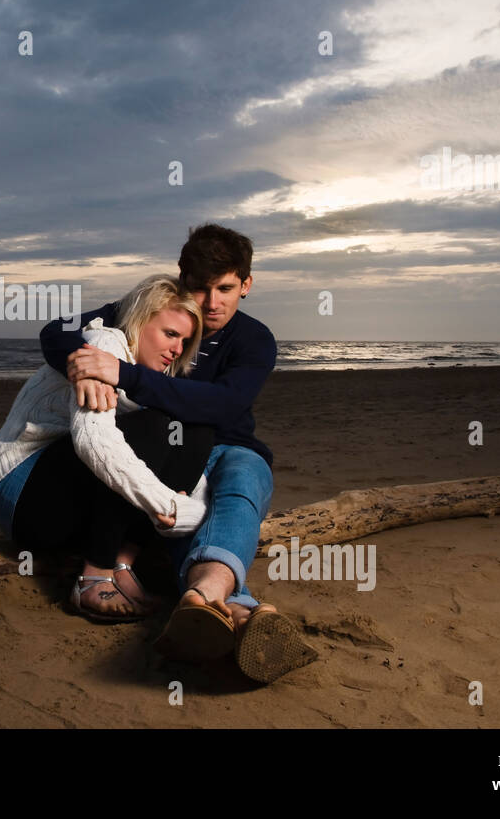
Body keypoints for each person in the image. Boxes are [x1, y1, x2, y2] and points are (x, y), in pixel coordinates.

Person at [39, 224, 317, 683]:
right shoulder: (152, 309)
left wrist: (123, 373)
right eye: (200, 288)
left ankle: (205, 599)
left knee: (243, 487)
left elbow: (223, 404)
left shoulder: (254, 340)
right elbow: (55, 332)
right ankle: (236, 606)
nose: (211, 303)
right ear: (181, 279)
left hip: (232, 446)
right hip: (167, 453)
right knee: (188, 513)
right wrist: (85, 367)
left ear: (245, 286)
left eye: (225, 288)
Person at [0, 274, 217, 622]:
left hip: (67, 507)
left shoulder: (153, 374)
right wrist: (167, 507)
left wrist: (187, 513)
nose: (177, 349)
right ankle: (95, 574)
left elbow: (189, 459)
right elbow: (94, 442)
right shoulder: (105, 344)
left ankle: (123, 562)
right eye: (170, 333)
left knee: (196, 429)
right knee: (155, 428)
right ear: (139, 321)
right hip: (19, 494)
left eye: (184, 340)